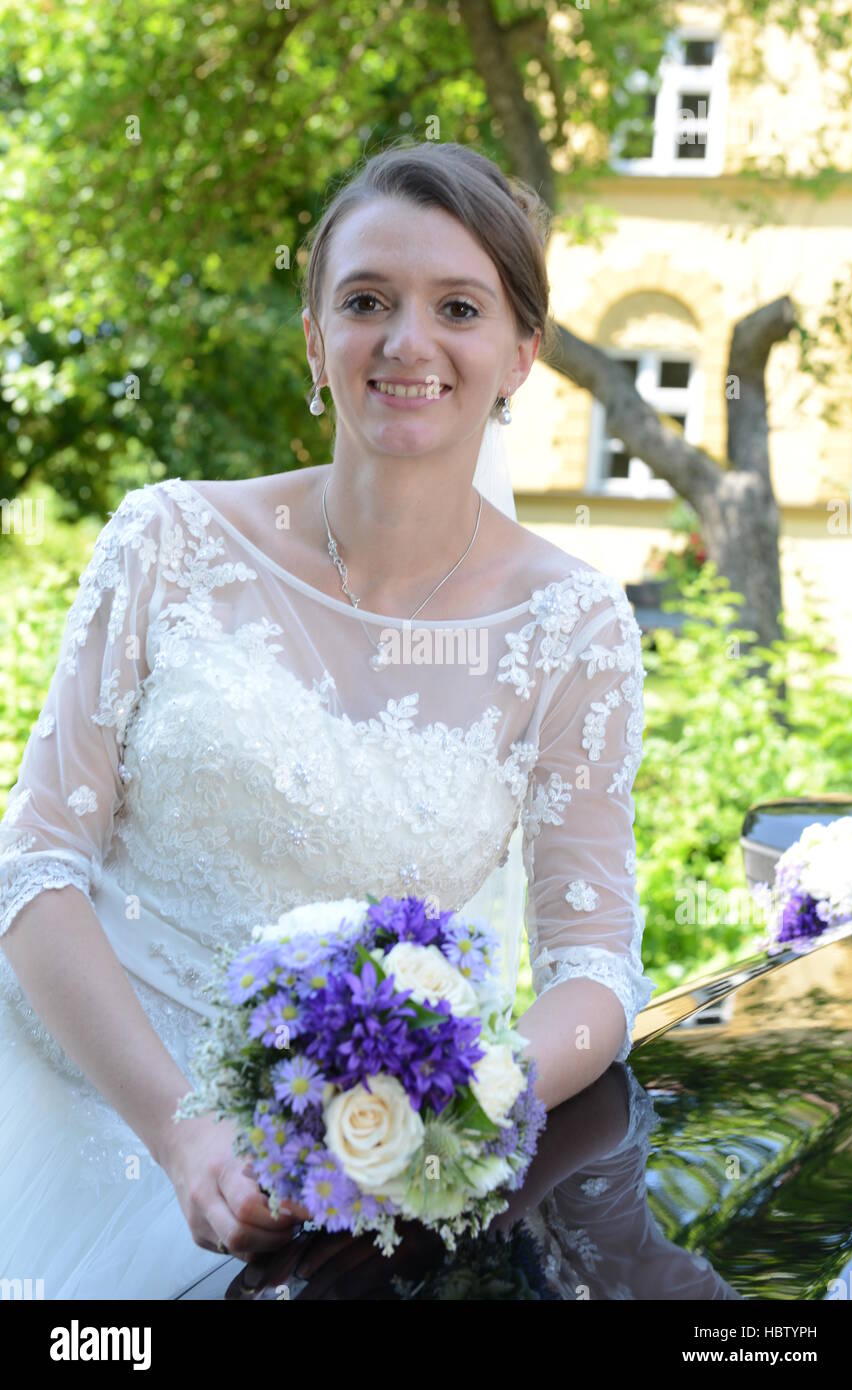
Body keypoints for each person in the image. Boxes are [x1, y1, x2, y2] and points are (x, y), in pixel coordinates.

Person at [0, 139, 655, 1299]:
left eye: (458, 306)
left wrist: (471, 1093)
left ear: (521, 356)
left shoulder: (574, 627)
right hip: (73, 1117)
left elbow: (593, 965)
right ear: (316, 340)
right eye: (366, 301)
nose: (408, 342)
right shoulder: (169, 544)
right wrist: (180, 1131)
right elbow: (35, 866)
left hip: (331, 1194)